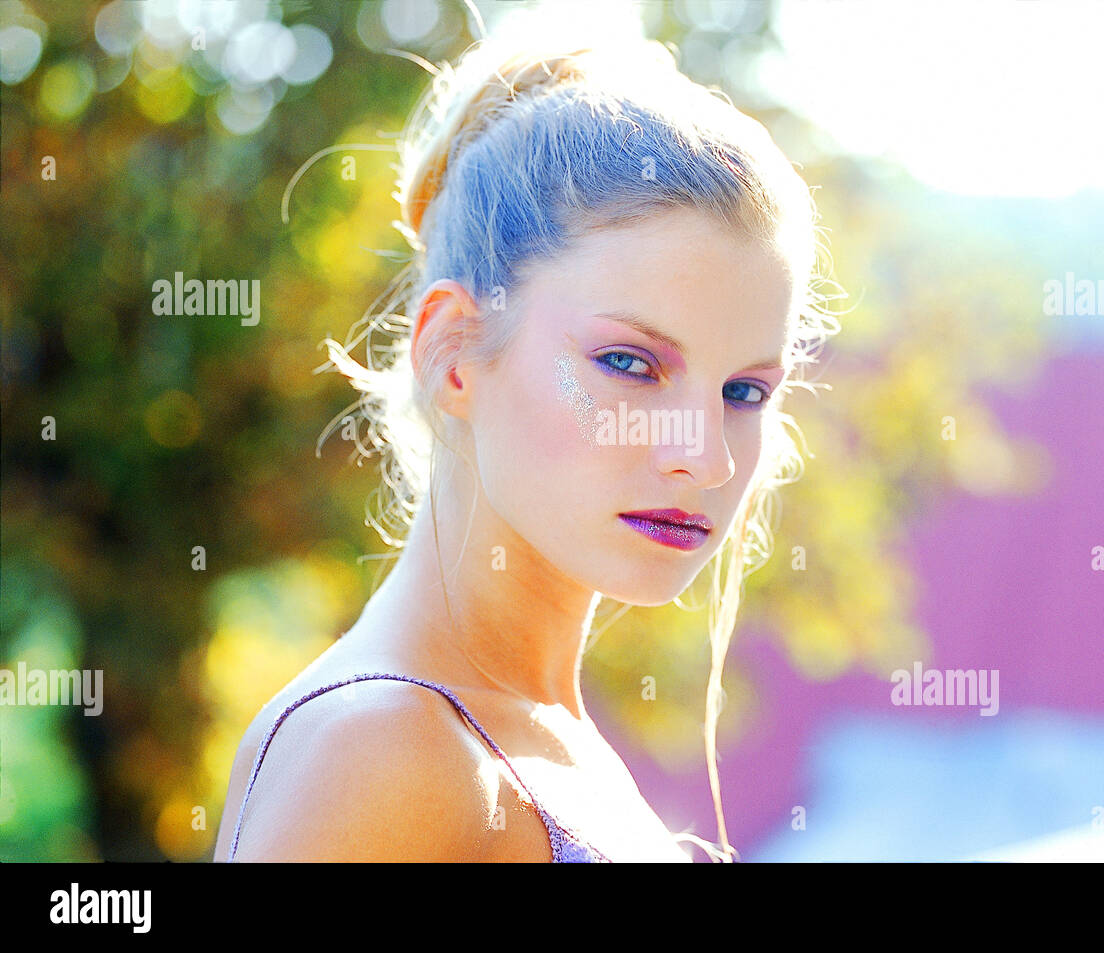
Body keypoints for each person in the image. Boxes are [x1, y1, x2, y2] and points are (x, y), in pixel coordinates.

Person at [214, 26, 840, 863]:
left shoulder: (551, 742)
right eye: (630, 363)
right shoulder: (382, 751)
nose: (708, 457)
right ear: (454, 354)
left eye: (744, 391)